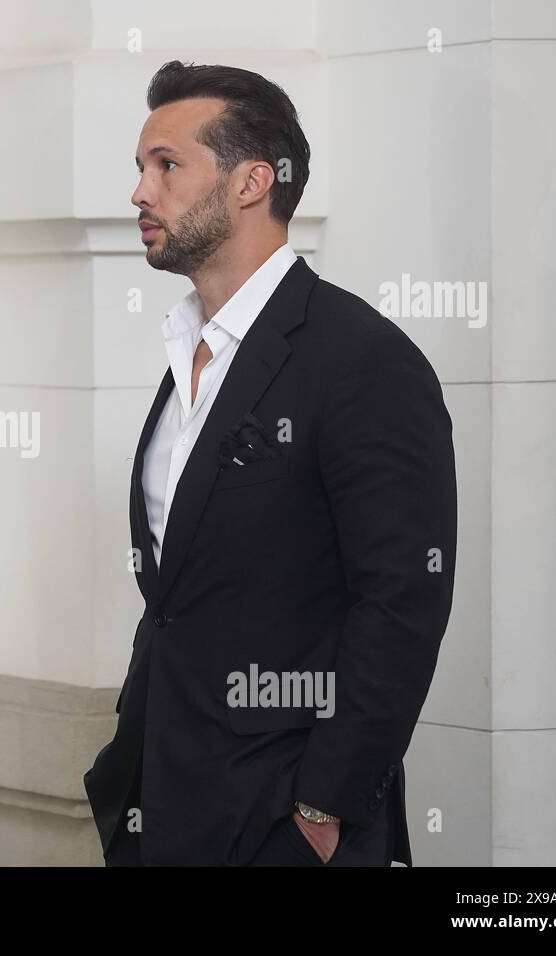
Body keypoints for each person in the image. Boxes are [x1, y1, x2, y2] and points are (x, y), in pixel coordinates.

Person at [84, 62, 457, 866]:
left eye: (167, 165)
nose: (140, 193)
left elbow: (401, 604)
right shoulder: (189, 352)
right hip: (165, 801)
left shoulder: (362, 361)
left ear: (254, 181)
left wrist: (321, 812)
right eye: (140, 169)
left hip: (287, 818)